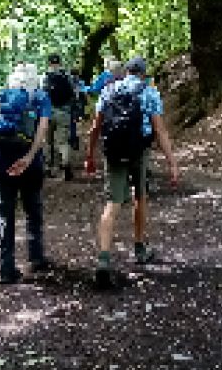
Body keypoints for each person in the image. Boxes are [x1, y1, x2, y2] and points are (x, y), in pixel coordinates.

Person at [83, 56, 180, 287]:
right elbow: (160, 130)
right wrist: (172, 163)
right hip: (139, 152)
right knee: (140, 197)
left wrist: (90, 155)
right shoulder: (149, 92)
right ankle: (139, 248)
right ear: (143, 74)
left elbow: (96, 127)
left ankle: (103, 260)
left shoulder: (108, 91)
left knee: (112, 203)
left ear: (126, 71)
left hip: (113, 152)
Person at [0, 64, 54, 285]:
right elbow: (42, 130)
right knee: (33, 210)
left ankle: (6, 268)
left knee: (4, 214)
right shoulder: (40, 97)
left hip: (0, 163)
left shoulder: (1, 96)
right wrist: (29, 157)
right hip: (30, 165)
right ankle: (36, 257)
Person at [41, 54, 78, 180]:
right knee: (63, 142)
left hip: (47, 113)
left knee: (48, 141)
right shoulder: (67, 76)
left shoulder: (44, 77)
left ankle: (48, 167)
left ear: (48, 63)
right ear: (60, 62)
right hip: (64, 112)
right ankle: (66, 164)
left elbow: (40, 95)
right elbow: (74, 95)